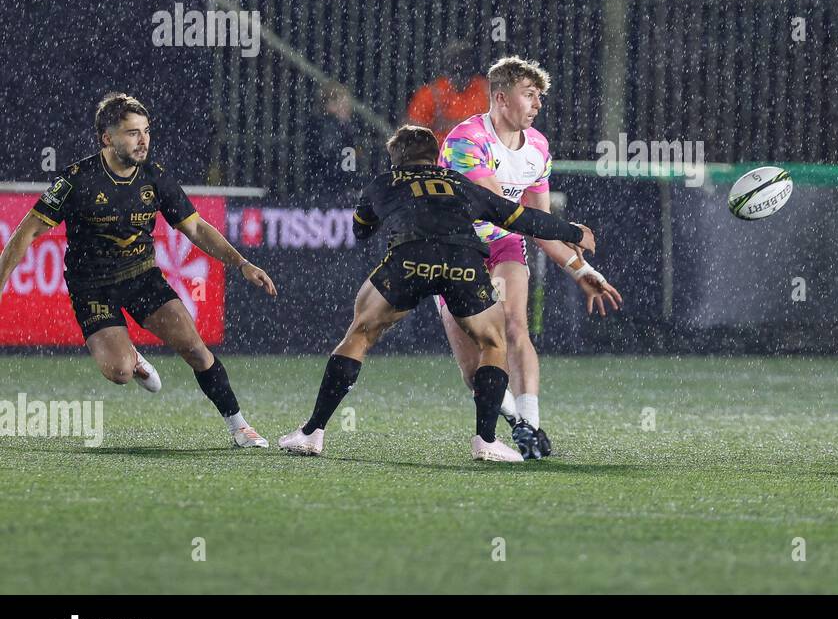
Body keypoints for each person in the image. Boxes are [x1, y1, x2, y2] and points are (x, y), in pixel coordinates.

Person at [276, 125, 598, 462]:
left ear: (394, 160)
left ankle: (312, 433)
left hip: (410, 260)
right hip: (462, 262)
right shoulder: (461, 184)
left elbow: (361, 230)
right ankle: (486, 441)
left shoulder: (383, 184)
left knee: (359, 334)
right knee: (493, 343)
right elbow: (519, 218)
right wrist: (573, 231)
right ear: (436, 157)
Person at [0, 92, 278, 447]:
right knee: (119, 372)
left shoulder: (155, 177)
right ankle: (131, 359)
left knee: (195, 350)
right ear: (107, 138)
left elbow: (195, 228)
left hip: (142, 278)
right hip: (92, 287)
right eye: (132, 132)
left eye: (146, 131)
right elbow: (27, 232)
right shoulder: (76, 180)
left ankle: (239, 426)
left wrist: (241, 263)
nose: (143, 140)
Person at [438, 56, 622, 459]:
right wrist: (570, 233)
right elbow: (499, 210)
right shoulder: (467, 140)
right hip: (453, 248)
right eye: (529, 94)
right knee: (473, 367)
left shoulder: (537, 147)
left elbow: (537, 225)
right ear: (501, 98)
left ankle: (530, 426)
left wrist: (581, 270)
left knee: (514, 326)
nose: (538, 104)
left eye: (540, 96)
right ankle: (514, 421)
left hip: (502, 243)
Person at [406, 41, 490, 141]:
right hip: (442, 150)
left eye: (465, 66)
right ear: (446, 67)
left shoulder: (486, 90)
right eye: (456, 68)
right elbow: (414, 134)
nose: (460, 73)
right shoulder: (431, 94)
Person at [310, 80, 361, 193]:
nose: (347, 106)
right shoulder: (331, 128)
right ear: (329, 106)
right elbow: (334, 160)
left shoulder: (339, 127)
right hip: (332, 191)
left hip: (329, 190)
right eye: (342, 102)